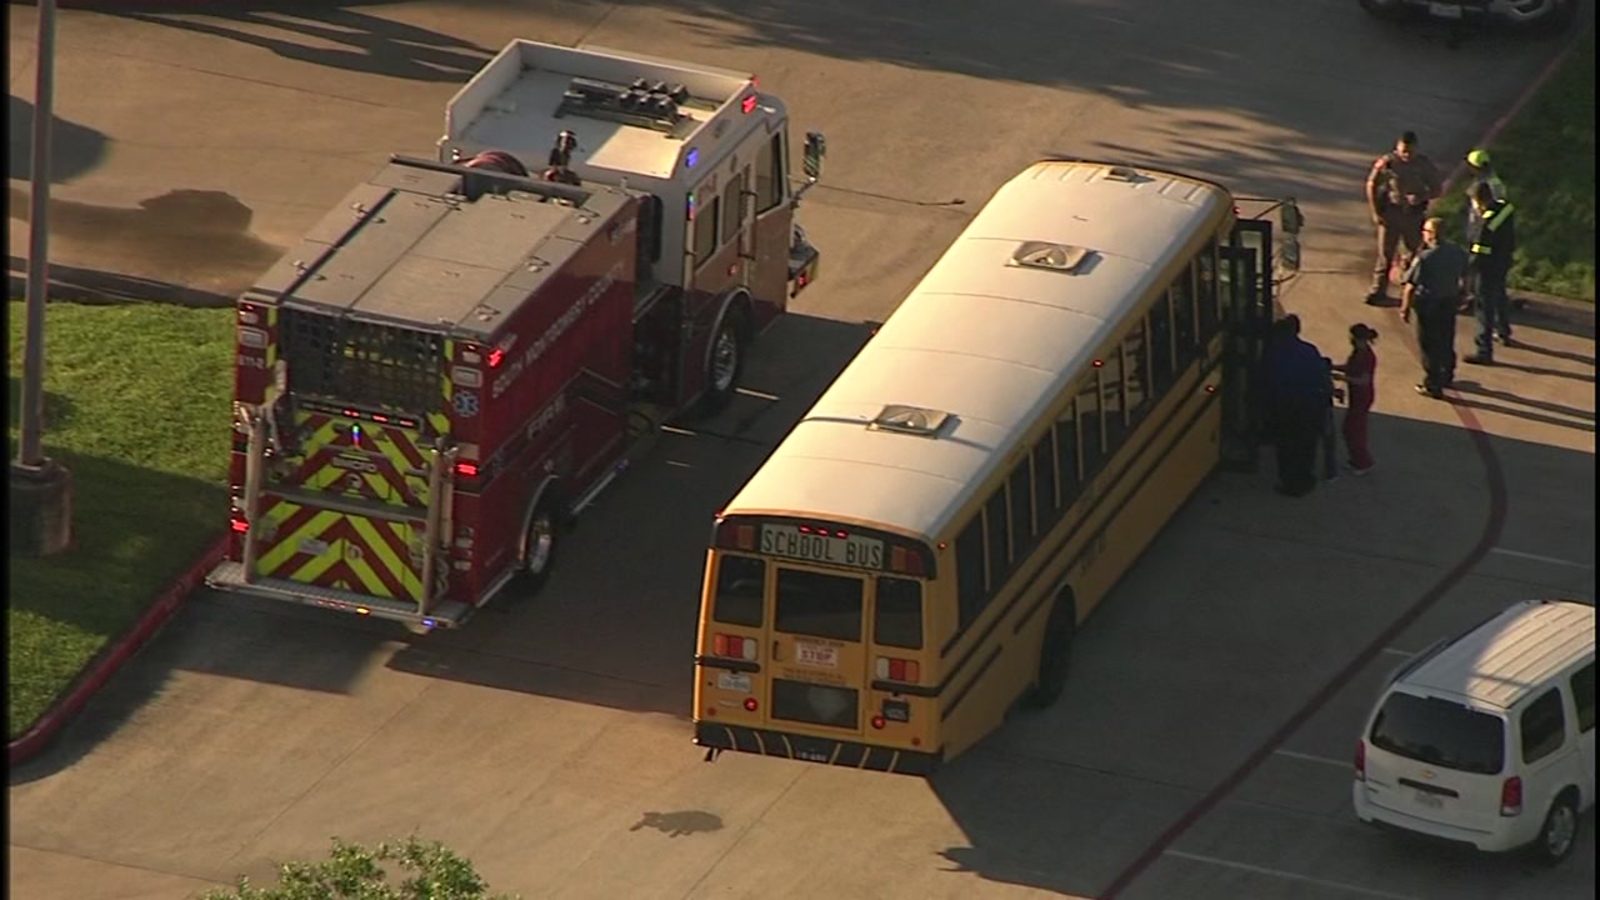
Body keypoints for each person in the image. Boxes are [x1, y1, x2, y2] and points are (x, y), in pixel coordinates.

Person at [1365, 131, 1442, 306]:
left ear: (1416, 148)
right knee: (1385, 254)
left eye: (1410, 152)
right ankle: (1378, 290)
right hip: (1391, 213)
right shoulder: (1388, 163)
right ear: (1397, 148)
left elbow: (1437, 188)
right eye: (1403, 151)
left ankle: (1411, 290)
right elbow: (1371, 184)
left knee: (1415, 254)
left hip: (1413, 216)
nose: (1406, 155)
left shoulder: (1424, 165)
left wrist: (1423, 196)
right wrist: (1376, 212)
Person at [1400, 218, 1471, 399]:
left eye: (1425, 230)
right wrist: (1464, 293)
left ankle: (1433, 383)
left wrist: (1405, 308)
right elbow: (1467, 274)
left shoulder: (1425, 258)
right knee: (1446, 339)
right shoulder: (1457, 252)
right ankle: (1447, 374)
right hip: (1449, 302)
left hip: (1428, 304)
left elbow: (1410, 285)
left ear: (1431, 235)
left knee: (1429, 344)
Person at [1263, 314, 1331, 496]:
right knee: (1306, 445)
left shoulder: (1275, 353)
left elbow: (1272, 381)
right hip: (1312, 406)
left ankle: (1290, 483)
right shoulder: (1310, 350)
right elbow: (1322, 376)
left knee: (1286, 447)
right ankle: (1305, 477)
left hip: (1288, 406)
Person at [1464, 182, 1517, 365]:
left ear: (1478, 201)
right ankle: (1503, 331)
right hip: (1503, 261)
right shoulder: (1504, 209)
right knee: (1500, 295)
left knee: (1483, 307)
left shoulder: (1485, 223)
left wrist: (1466, 273)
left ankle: (1483, 350)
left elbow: (1479, 252)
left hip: (1486, 268)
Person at [1333, 324, 1379, 475]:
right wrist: (1334, 367)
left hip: (1362, 397)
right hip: (1356, 396)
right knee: (1351, 429)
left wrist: (1343, 378)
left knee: (1353, 430)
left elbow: (1363, 380)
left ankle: (1363, 462)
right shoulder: (1358, 352)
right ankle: (1356, 460)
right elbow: (1350, 367)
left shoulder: (1367, 357)